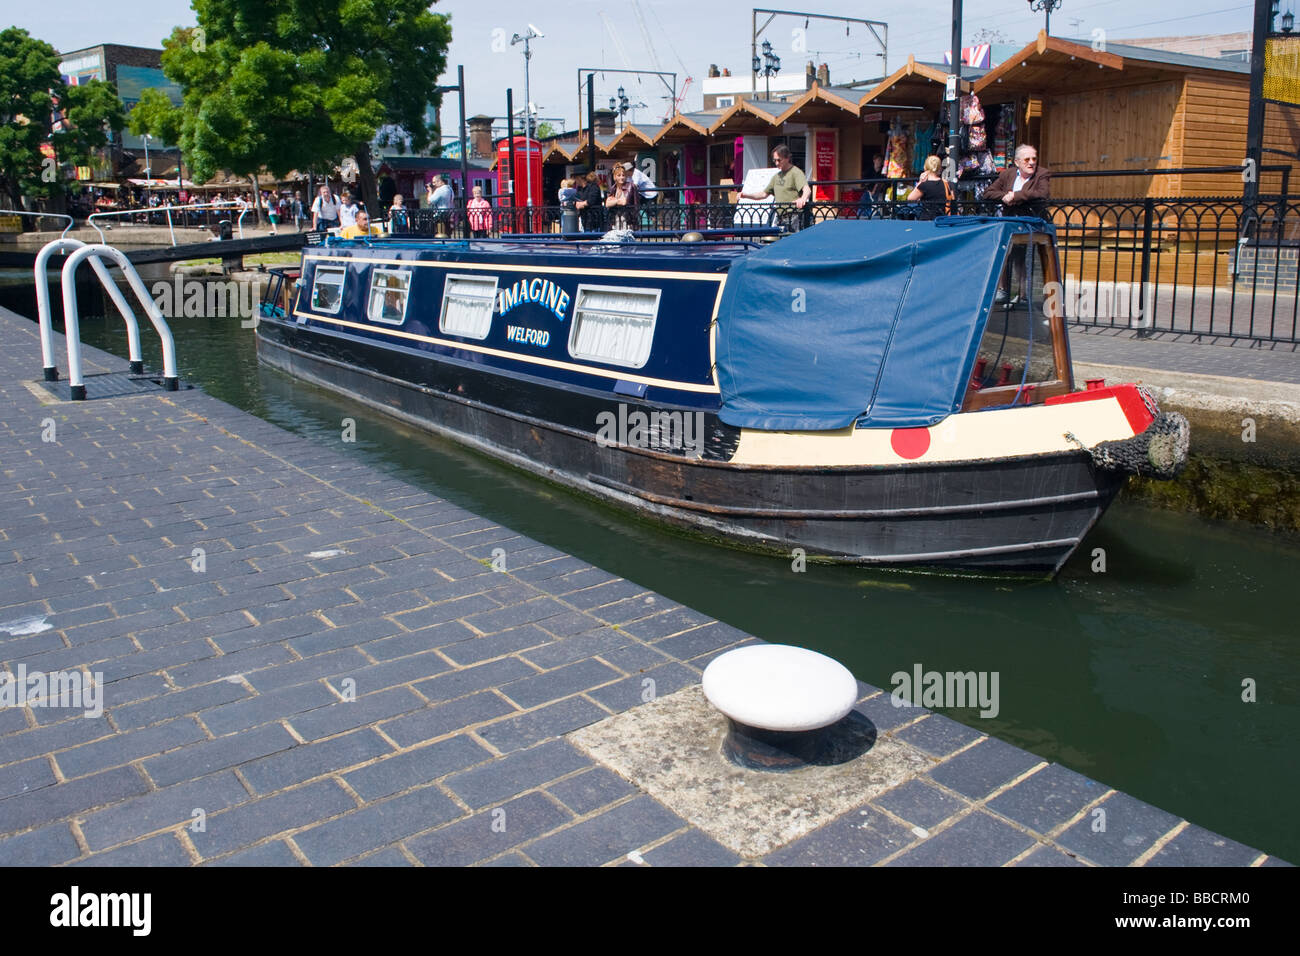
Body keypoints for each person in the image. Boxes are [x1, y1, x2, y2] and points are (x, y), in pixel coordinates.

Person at [984, 145, 1051, 303]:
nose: (1031, 162)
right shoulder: (1008, 174)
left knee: (1026, 259)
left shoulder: (1042, 174)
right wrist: (1005, 196)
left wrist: (1016, 196)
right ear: (1017, 162)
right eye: (1027, 159)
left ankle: (1025, 295)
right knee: (1008, 256)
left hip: (1031, 222)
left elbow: (1042, 193)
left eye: (1034, 159)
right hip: (1011, 222)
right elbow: (988, 192)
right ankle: (1005, 290)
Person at [740, 144, 811, 230]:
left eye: (779, 160)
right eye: (775, 160)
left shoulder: (796, 172)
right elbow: (763, 194)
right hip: (781, 217)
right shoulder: (776, 176)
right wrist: (745, 195)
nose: (776, 163)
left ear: (787, 158)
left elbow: (807, 189)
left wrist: (802, 199)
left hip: (795, 216)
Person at [906, 155, 953, 221]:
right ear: (940, 168)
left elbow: (910, 198)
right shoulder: (946, 183)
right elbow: (952, 197)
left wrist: (920, 181)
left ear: (926, 167)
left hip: (927, 218)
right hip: (943, 218)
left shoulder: (924, 185)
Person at [604, 163, 639, 231]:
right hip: (615, 219)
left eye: (623, 175)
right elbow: (607, 204)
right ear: (615, 177)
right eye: (619, 175)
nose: (622, 177)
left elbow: (624, 202)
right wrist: (617, 201)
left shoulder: (630, 186)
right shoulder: (613, 188)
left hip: (627, 219)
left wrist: (614, 201)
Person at [858, 154, 886, 219]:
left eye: (881, 160)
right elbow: (864, 182)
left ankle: (876, 218)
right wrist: (870, 190)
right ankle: (860, 218)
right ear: (874, 160)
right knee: (863, 204)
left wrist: (877, 187)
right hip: (869, 191)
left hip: (879, 193)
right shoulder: (868, 170)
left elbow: (884, 183)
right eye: (878, 160)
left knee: (877, 208)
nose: (880, 162)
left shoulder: (883, 171)